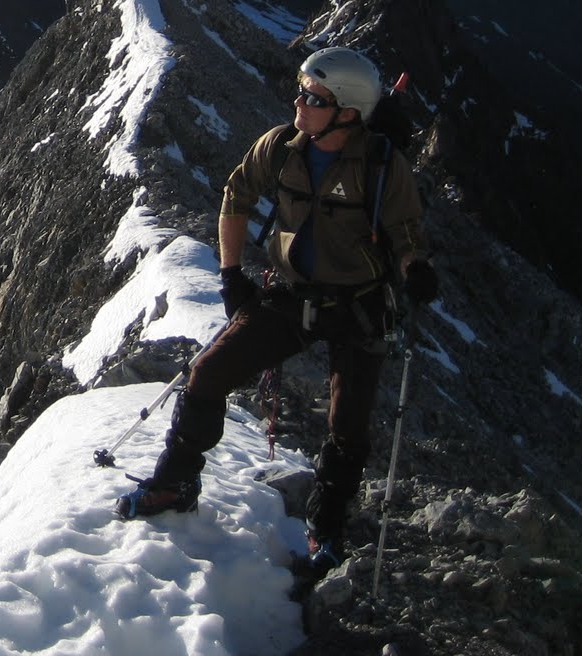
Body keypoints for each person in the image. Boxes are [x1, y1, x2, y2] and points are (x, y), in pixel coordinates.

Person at [115, 46, 437, 573]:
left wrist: (413, 266)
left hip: (358, 305)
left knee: (347, 428)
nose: (299, 102)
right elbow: (236, 197)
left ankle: (326, 530)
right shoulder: (283, 145)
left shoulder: (382, 166)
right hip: (293, 294)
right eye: (301, 90)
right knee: (206, 375)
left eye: (314, 97)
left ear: (348, 112)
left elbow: (406, 233)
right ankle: (173, 483)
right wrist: (230, 276)